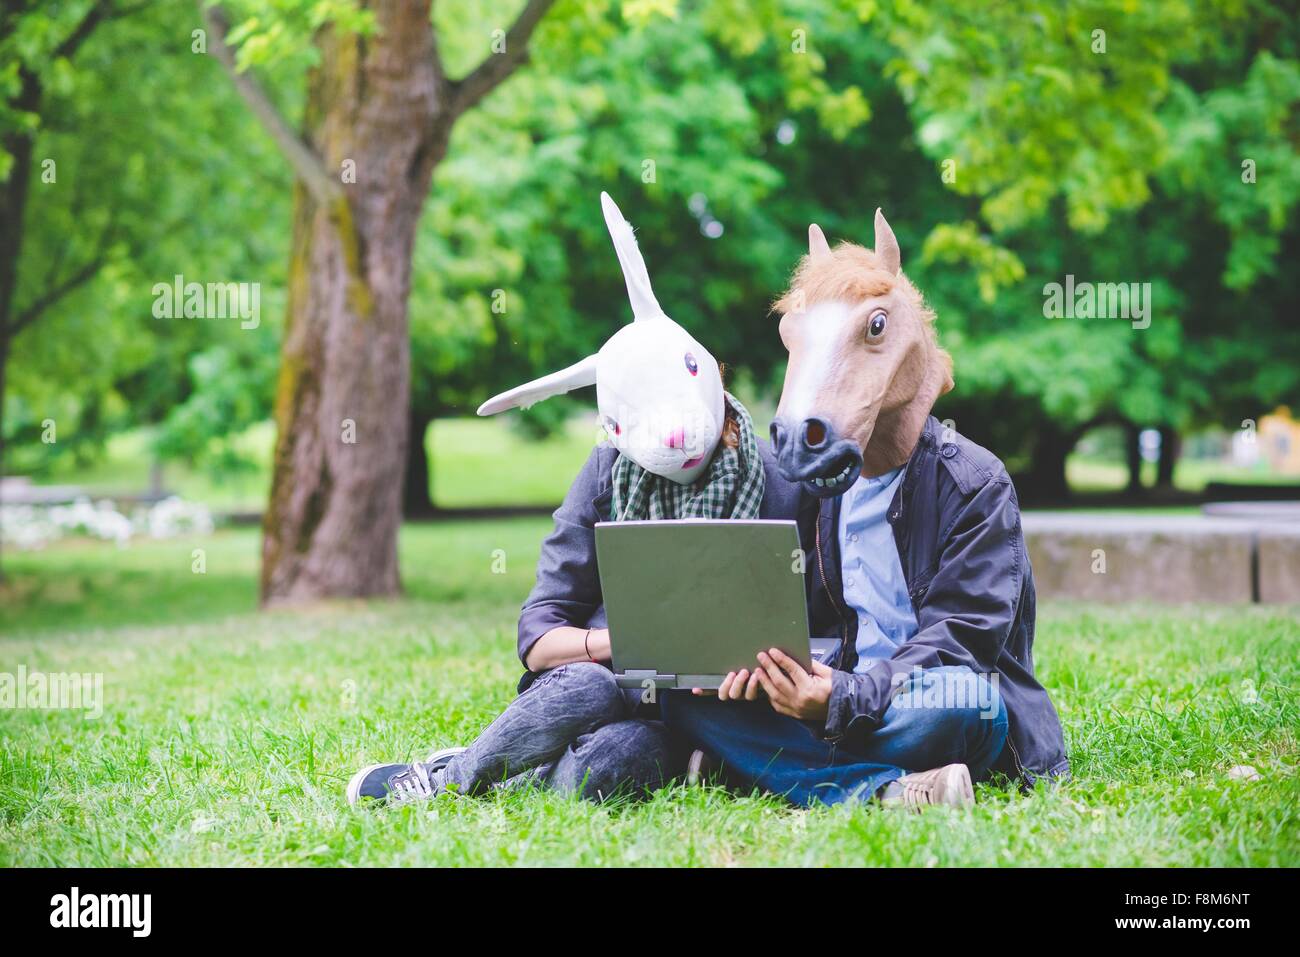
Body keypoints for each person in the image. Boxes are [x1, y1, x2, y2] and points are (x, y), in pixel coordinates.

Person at [346, 192, 800, 806]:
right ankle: (446, 782)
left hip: (695, 717)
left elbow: (816, 632)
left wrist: (748, 669)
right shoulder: (608, 473)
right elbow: (538, 637)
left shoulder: (783, 479)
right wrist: (624, 643)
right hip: (598, 681)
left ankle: (530, 773)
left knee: (619, 761)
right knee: (587, 690)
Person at [661, 215, 1070, 809]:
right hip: (840, 700)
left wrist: (842, 698)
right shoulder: (816, 486)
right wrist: (757, 668)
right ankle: (886, 792)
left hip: (916, 701)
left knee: (965, 700)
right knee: (686, 697)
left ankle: (770, 768)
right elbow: (786, 619)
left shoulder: (976, 483)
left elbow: (961, 639)